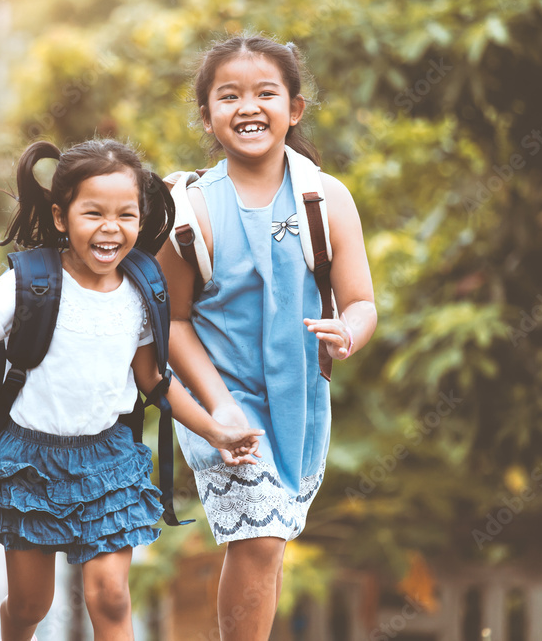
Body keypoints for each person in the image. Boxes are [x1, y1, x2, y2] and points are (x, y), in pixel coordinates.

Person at [0, 138, 264, 641]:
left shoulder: (142, 291)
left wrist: (214, 430)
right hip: (29, 461)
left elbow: (154, 382)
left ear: (141, 220)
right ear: (61, 216)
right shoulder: (29, 283)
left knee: (111, 596)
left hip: (108, 462)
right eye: (93, 213)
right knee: (31, 604)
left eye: (125, 215)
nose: (110, 227)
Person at [156, 34, 377, 640]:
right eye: (229, 95)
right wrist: (219, 407)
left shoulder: (327, 199)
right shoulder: (190, 212)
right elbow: (172, 322)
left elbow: (361, 302)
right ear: (207, 116)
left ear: (294, 108)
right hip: (219, 396)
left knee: (271, 541)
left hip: (300, 402)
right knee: (257, 537)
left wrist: (349, 331)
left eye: (265, 93)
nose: (248, 107)